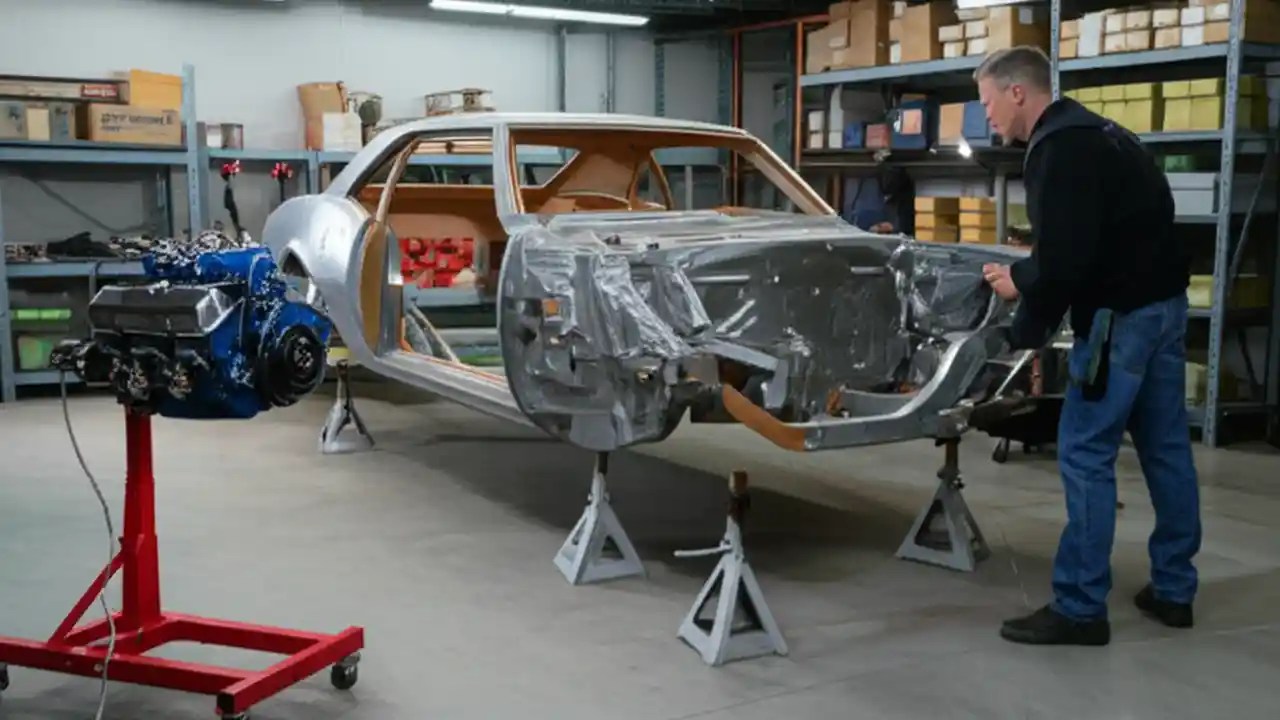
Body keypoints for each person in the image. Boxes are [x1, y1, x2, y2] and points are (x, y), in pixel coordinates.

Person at [972, 46, 1202, 646]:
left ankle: (1079, 607)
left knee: (1084, 452)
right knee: (1167, 450)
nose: (987, 116)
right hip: (1164, 309)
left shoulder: (1057, 150)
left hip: (1119, 319)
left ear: (1017, 92)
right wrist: (1037, 271)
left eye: (988, 102)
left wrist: (1019, 292)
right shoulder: (1106, 132)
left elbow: (1066, 263)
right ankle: (1175, 591)